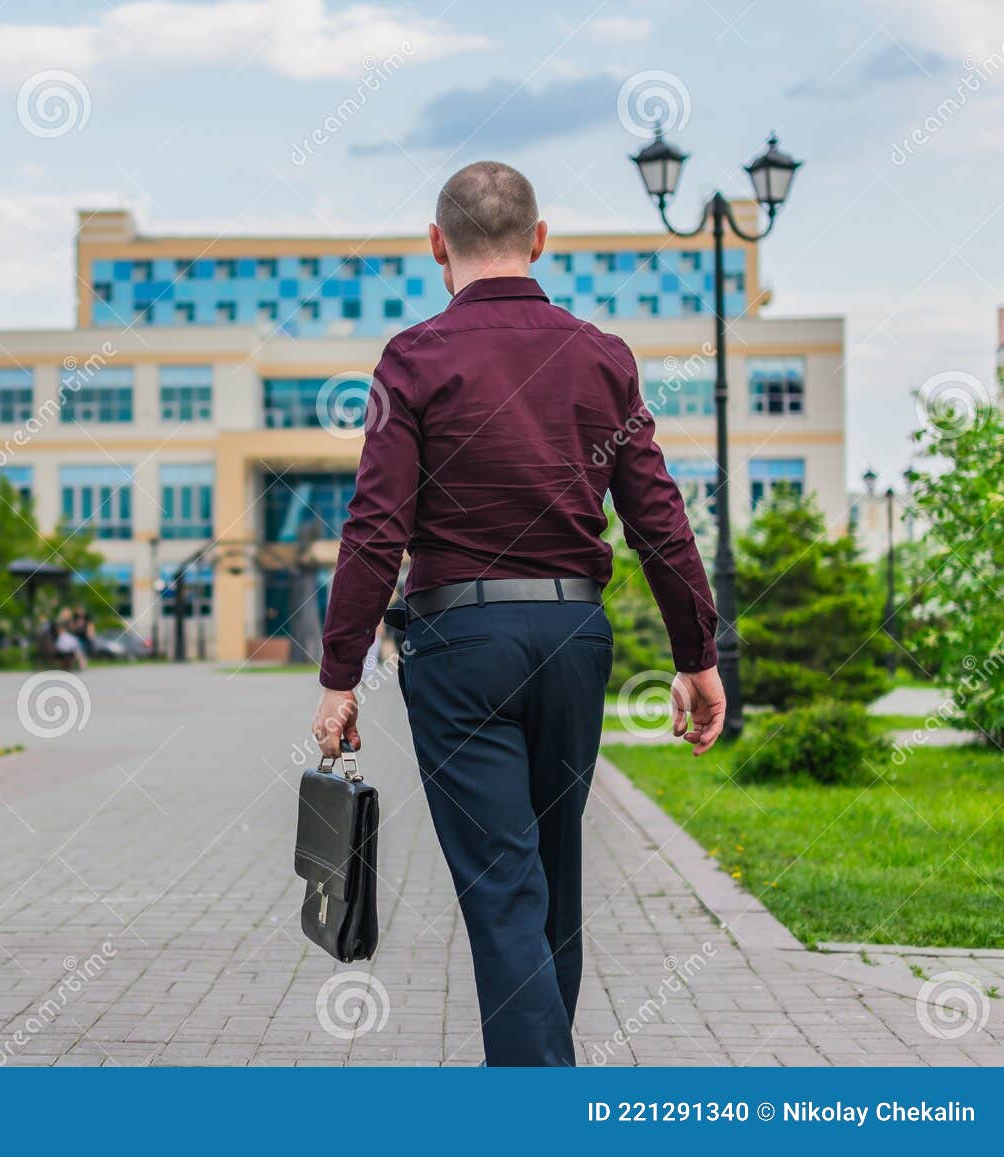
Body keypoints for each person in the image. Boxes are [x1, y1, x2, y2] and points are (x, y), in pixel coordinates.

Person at [310, 161, 726, 1068]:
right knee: (552, 886)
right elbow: (657, 512)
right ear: (540, 240)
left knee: (505, 892)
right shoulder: (601, 356)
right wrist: (698, 653)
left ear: (435, 245)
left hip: (460, 646)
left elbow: (376, 529)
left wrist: (341, 674)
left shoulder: (412, 358)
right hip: (574, 639)